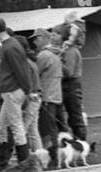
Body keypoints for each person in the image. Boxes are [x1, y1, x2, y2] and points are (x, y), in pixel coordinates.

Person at [0, 17, 35, 172]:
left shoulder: (9, 46)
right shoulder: (9, 45)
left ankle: (24, 166)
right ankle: (4, 160)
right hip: (11, 90)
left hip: (13, 91)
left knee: (17, 127)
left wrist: (27, 90)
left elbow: (21, 70)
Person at [33, 29, 66, 163]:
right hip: (57, 95)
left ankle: (54, 156)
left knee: (48, 129)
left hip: (47, 96)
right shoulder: (56, 54)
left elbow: (34, 73)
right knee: (60, 126)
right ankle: (65, 153)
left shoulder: (43, 56)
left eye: (37, 38)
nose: (35, 41)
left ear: (45, 38)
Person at [59, 29, 86, 140]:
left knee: (75, 117)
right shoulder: (67, 50)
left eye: (57, 33)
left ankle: (81, 143)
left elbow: (69, 72)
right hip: (69, 86)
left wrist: (58, 61)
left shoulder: (70, 51)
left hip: (71, 86)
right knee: (73, 117)